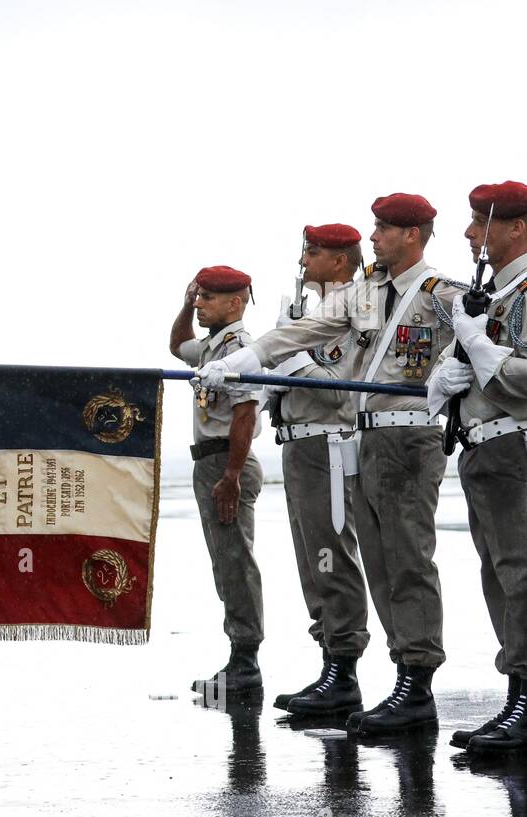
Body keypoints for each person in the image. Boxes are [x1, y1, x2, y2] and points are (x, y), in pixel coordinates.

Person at [200, 193, 459, 735]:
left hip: (402, 439)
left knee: (404, 562)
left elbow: (481, 352)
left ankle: (413, 683)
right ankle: (391, 679)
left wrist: (464, 375)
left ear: (412, 235)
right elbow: (303, 334)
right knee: (384, 569)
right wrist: (248, 359)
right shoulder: (363, 295)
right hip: (365, 440)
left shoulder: (445, 296)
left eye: (384, 228)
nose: (375, 236)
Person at [429, 182, 527, 752]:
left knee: (522, 574)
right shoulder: (490, 296)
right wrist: (443, 379)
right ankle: (516, 695)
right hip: (482, 453)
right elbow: (440, 381)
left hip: (516, 450)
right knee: (499, 577)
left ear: (516, 228)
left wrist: (483, 351)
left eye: (481, 223)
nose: (470, 234)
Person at [266, 226, 371, 717]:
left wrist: (296, 359)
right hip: (298, 445)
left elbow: (342, 391)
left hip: (328, 444)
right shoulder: (308, 316)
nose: (305, 260)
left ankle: (344, 670)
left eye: (315, 252)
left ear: (339, 262)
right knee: (313, 563)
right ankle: (329, 659)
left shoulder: (356, 313)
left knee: (333, 557)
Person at [169, 267, 265, 695]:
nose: (199, 305)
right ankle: (238, 654)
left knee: (235, 560)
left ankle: (246, 660)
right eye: (198, 297)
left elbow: (246, 413)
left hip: (228, 461)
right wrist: (182, 303)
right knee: (223, 560)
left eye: (207, 298)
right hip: (211, 462)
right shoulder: (212, 347)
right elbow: (176, 346)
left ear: (235, 303)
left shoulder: (240, 348)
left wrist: (231, 474)